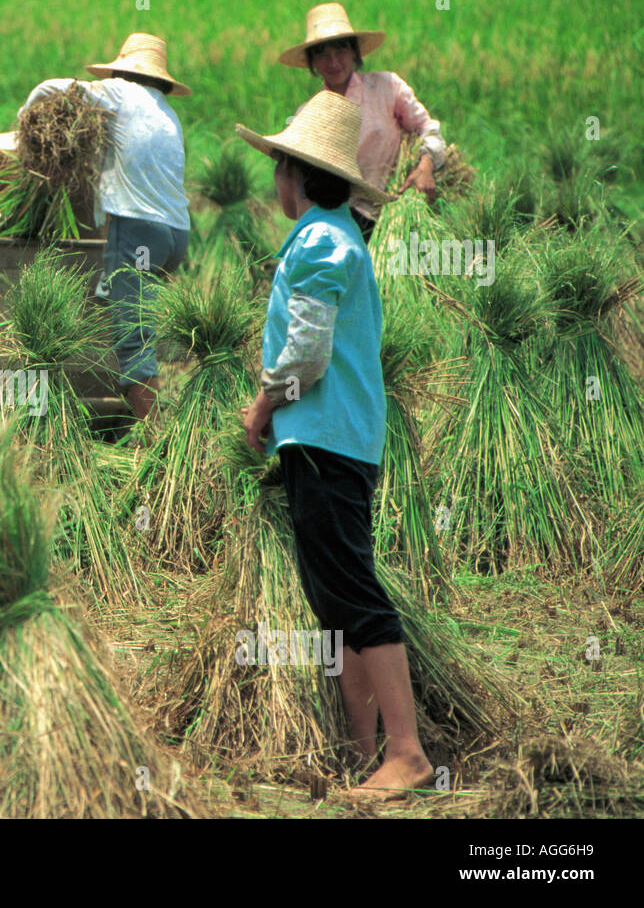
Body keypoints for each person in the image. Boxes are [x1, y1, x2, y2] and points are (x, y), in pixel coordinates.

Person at [237, 91, 433, 800]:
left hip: (325, 440)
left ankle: (406, 753)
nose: (274, 182)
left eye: (279, 169)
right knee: (335, 603)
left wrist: (261, 407)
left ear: (294, 174)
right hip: (329, 439)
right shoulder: (334, 235)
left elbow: (308, 351)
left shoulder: (321, 240)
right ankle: (364, 753)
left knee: (355, 592)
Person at [18, 32, 191, 421]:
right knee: (134, 320)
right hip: (176, 235)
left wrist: (24, 128)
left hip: (138, 232)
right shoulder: (166, 113)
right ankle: (124, 412)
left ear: (122, 72)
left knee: (132, 338)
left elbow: (50, 88)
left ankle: (155, 440)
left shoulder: (119, 93)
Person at [280, 3, 447, 241]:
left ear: (355, 52)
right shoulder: (307, 114)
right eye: (322, 54)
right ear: (312, 62)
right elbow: (296, 183)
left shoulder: (387, 87)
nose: (333, 62)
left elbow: (428, 129)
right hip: (336, 226)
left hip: (395, 216)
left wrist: (426, 166)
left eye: (341, 50)